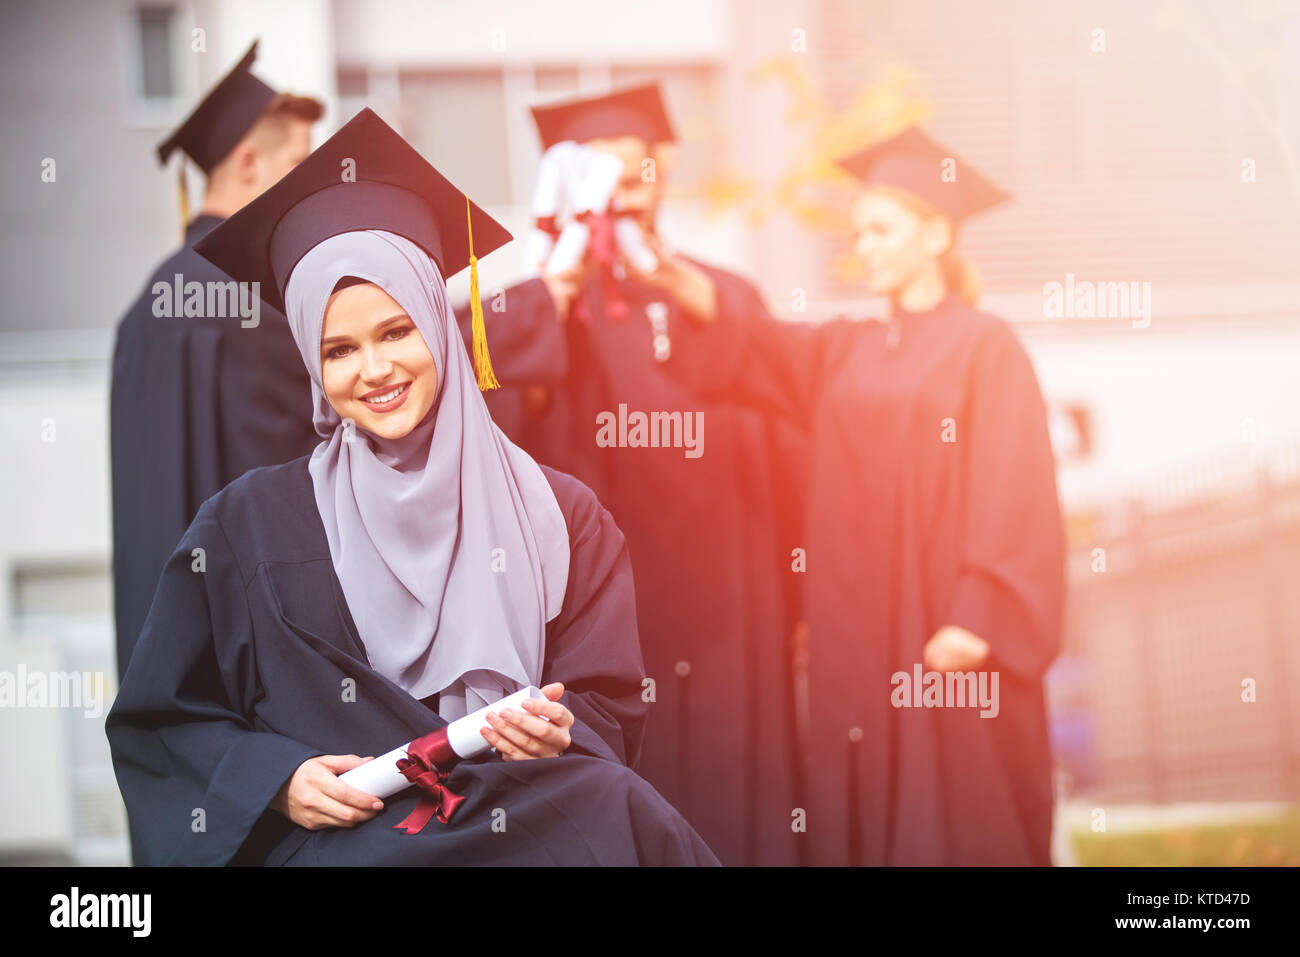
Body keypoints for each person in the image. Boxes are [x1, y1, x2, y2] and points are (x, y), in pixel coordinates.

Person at [104, 108, 719, 867]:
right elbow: (164, 719)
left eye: (397, 331)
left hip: (520, 816)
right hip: (344, 841)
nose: (374, 370)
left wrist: (560, 733)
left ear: (439, 324)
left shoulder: (560, 514)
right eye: (338, 349)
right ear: (311, 364)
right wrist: (275, 780)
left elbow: (603, 702)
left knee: (628, 816)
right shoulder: (247, 526)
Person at [666, 126, 1067, 865]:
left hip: (947, 641)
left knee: (954, 817)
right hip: (861, 647)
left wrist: (979, 612)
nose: (865, 246)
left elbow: (1017, 486)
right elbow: (750, 340)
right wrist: (655, 267)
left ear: (938, 232)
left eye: (881, 228)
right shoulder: (843, 347)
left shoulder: (985, 344)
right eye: (859, 232)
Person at [462, 84, 803, 865]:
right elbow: (497, 414)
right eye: (598, 170)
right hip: (611, 598)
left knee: (731, 790)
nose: (620, 186)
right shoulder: (554, 302)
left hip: (730, 602)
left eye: (635, 166)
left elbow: (784, 424)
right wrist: (563, 274)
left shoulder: (720, 296)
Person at [110, 40, 324, 680]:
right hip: (265, 647)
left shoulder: (147, 304)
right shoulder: (262, 292)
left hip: (170, 651)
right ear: (252, 163)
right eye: (301, 163)